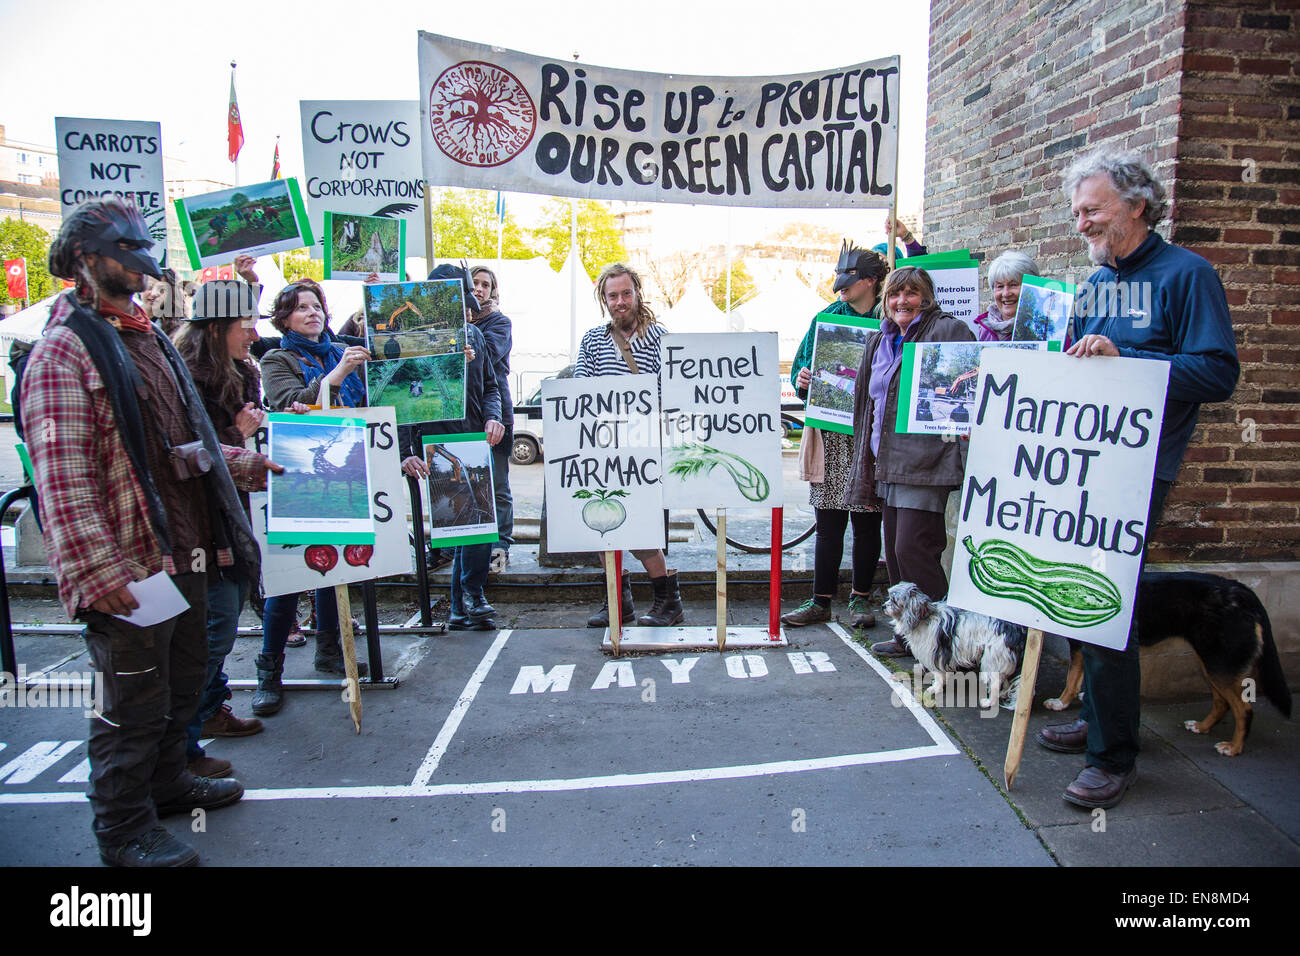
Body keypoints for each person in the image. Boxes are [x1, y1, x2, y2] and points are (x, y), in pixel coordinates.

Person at [20, 197, 278, 867]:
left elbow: (177, 445)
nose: (141, 265)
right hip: (127, 562)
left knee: (184, 678)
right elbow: (65, 477)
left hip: (183, 546)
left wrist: (241, 463)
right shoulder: (63, 351)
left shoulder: (145, 336)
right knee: (129, 704)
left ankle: (168, 782)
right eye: (124, 252)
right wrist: (97, 573)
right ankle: (122, 829)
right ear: (85, 261)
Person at [1036, 148, 1239, 810]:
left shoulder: (1189, 275)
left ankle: (1113, 757)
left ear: (1137, 205)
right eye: (1076, 213)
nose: (1081, 222)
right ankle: (1102, 718)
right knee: (1078, 595)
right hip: (1081, 462)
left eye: (1091, 209)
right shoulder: (1091, 285)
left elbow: (1217, 372)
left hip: (1140, 469)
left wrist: (1130, 357)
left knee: (1101, 600)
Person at [843, 266, 975, 656]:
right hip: (886, 460)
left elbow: (971, 383)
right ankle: (910, 636)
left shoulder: (946, 330)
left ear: (927, 297)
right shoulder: (880, 339)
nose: (903, 301)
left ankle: (946, 640)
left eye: (912, 293)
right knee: (897, 555)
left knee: (916, 549)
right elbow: (865, 400)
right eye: (895, 294)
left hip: (925, 460)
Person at [254, 280, 370, 716]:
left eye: (316, 306)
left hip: (349, 469)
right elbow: (287, 402)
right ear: (283, 318)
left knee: (335, 563)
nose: (312, 313)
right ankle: (270, 670)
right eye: (301, 308)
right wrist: (338, 374)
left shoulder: (345, 348)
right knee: (291, 574)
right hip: (298, 473)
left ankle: (329, 650)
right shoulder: (276, 358)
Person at [172, 280, 268, 778]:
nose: (253, 333)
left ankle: (209, 709)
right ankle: (181, 748)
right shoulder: (186, 377)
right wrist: (240, 436)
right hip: (199, 528)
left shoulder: (242, 372)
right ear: (213, 330)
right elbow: (190, 453)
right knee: (212, 628)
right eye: (243, 324)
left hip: (233, 518)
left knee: (221, 625)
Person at [781, 242, 888, 629]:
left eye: (851, 280)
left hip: (871, 436)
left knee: (866, 522)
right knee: (828, 523)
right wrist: (803, 380)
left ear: (872, 281)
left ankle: (860, 600)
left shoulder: (891, 318)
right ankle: (820, 600)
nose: (841, 287)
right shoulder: (825, 318)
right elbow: (800, 371)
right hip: (832, 432)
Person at [397, 264, 504, 630]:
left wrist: (495, 417)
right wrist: (404, 451)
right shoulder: (413, 340)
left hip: (473, 438)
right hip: (435, 444)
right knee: (464, 521)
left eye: (466, 304)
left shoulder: (475, 334)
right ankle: (469, 599)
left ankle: (465, 603)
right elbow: (404, 396)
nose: (464, 311)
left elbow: (491, 386)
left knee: (478, 525)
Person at [576, 262, 681, 628]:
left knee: (643, 531)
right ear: (603, 299)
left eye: (625, 293)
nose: (620, 302)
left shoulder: (660, 338)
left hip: (645, 451)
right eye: (612, 295)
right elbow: (581, 392)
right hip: (603, 450)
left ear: (637, 294)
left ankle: (668, 603)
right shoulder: (592, 340)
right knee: (603, 526)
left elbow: (672, 393)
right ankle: (617, 604)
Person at [470, 265, 514, 572]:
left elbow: (486, 354)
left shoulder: (499, 322)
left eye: (486, 284)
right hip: (465, 417)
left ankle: (500, 546)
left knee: (498, 484)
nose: (480, 289)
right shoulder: (455, 323)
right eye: (474, 283)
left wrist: (464, 328)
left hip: (497, 413)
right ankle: (468, 547)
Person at [973, 250, 1040, 341]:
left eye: (1013, 285)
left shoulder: (1044, 328)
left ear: (1031, 287)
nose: (1006, 293)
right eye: (1000, 286)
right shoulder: (983, 332)